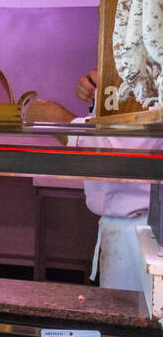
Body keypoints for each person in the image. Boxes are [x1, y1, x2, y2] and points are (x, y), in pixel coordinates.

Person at [26, 68, 160, 293]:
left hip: (148, 234)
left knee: (140, 322)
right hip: (127, 231)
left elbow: (117, 154)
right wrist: (99, 89)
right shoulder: (140, 63)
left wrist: (55, 119)